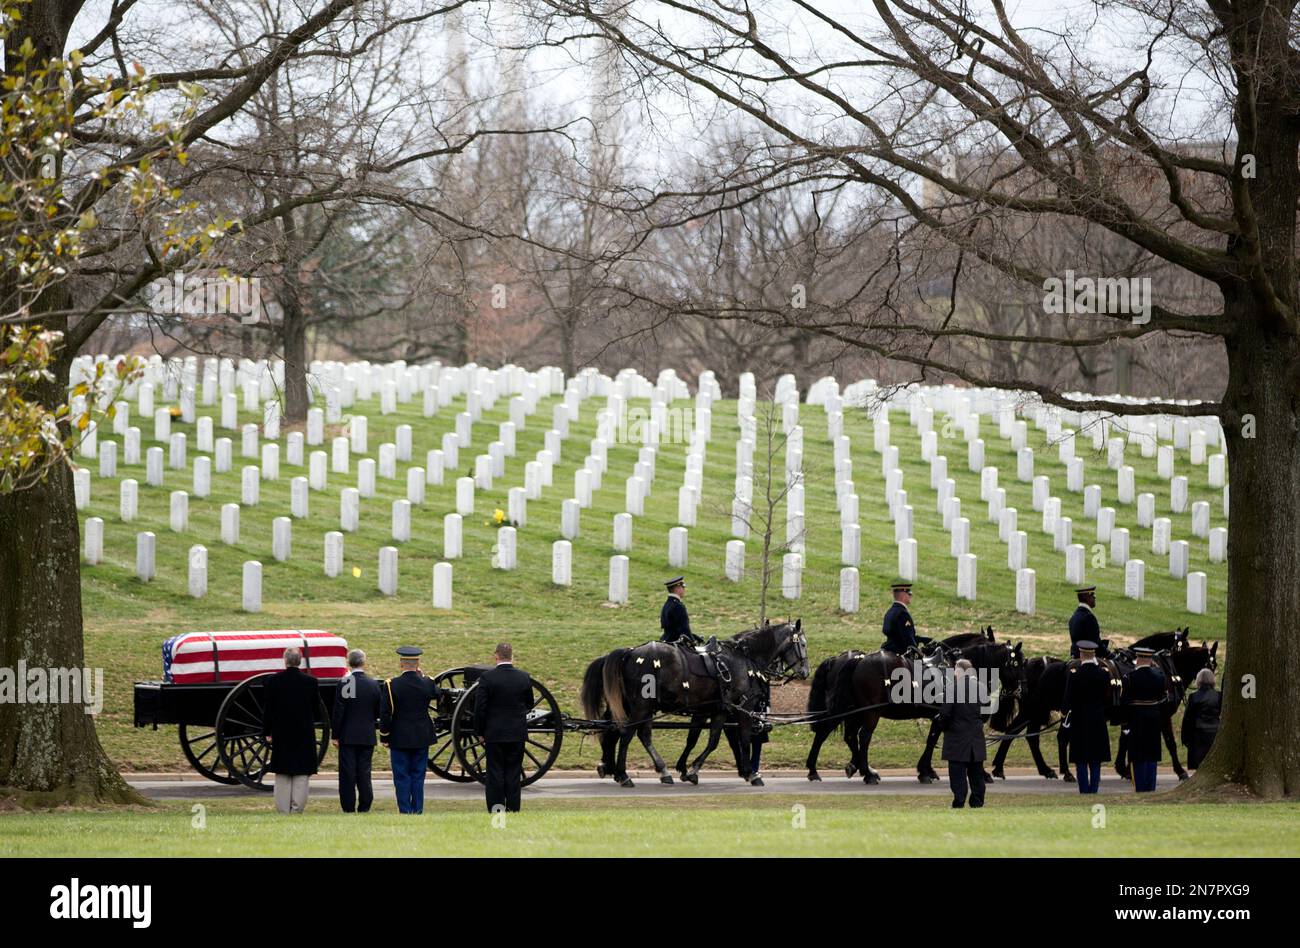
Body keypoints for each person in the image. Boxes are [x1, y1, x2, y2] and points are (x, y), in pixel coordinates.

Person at [380, 645, 442, 815]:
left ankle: (405, 810)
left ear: (401, 664)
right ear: (418, 663)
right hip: (421, 736)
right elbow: (438, 693)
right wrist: (422, 677)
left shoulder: (392, 685)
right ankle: (418, 809)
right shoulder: (427, 683)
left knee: (401, 776)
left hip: (399, 737)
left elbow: (386, 714)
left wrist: (384, 736)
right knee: (418, 775)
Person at [473, 642, 532, 813]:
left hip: (494, 733)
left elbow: (480, 708)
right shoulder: (524, 677)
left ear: (496, 656)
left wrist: (479, 731)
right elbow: (529, 704)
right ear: (512, 656)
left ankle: (497, 811)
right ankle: (513, 810)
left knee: (495, 773)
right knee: (513, 773)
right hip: (516, 733)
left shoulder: (487, 678)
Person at [262, 647, 321, 814]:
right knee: (302, 773)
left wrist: (267, 731)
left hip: (282, 732)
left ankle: (283, 810)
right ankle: (297, 809)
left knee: (282, 773)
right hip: (304, 732)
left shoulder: (273, 681)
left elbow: (268, 711)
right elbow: (316, 711)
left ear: (285, 660)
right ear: (300, 661)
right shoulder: (311, 682)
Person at [331, 648, 381, 813]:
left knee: (348, 774)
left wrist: (335, 734)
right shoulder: (372, 683)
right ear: (364, 662)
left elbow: (341, 711)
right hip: (366, 735)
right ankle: (365, 805)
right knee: (364, 773)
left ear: (349, 662)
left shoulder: (348, 683)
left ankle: (348, 806)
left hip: (349, 735)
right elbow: (377, 711)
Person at [935, 658, 987, 808]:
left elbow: (945, 714)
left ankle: (959, 801)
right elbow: (986, 712)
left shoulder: (952, 688)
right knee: (976, 773)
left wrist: (943, 726)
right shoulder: (981, 688)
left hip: (956, 739)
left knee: (957, 774)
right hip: (976, 738)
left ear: (959, 671)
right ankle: (977, 801)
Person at [1062, 640, 1111, 794]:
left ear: (1081, 655)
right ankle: (1094, 788)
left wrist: (1064, 713)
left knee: (1081, 758)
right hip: (1097, 720)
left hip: (1079, 720)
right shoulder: (1103, 674)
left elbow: (1067, 699)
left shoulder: (1075, 675)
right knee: (1095, 759)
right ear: (1094, 655)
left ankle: (1084, 789)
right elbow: (1107, 699)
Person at [1123, 647, 1167, 792]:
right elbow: (1163, 698)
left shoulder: (1129, 677)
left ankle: (1140, 788)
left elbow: (1125, 703)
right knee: (1151, 754)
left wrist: (1125, 724)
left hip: (1136, 719)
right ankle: (1150, 787)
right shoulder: (1159, 676)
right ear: (1150, 659)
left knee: (1138, 755)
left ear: (1138, 658)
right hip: (1154, 717)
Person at [1181, 667, 1221, 771]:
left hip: (1198, 734)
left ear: (1199, 680)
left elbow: (1187, 718)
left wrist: (1185, 737)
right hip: (1215, 732)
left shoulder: (1194, 697)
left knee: (1199, 765)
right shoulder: (1218, 696)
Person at [882, 581, 930, 654]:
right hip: (901, 651)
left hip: (888, 647)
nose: (911, 596)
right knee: (920, 664)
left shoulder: (890, 611)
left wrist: (921, 639)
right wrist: (917, 652)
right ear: (903, 595)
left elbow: (897, 634)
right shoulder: (902, 613)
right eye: (909, 594)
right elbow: (907, 638)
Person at [659, 576, 703, 647]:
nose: (684, 590)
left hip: (665, 639)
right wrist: (693, 641)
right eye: (683, 587)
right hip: (676, 643)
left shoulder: (667, 604)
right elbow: (683, 629)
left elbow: (672, 628)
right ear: (677, 589)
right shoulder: (678, 606)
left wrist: (694, 636)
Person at [1068, 586, 1102, 658]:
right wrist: (1109, 654)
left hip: (1075, 654)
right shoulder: (1089, 617)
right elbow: (1095, 642)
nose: (1094, 598)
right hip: (1088, 657)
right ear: (1085, 597)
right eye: (1092, 595)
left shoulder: (1074, 616)